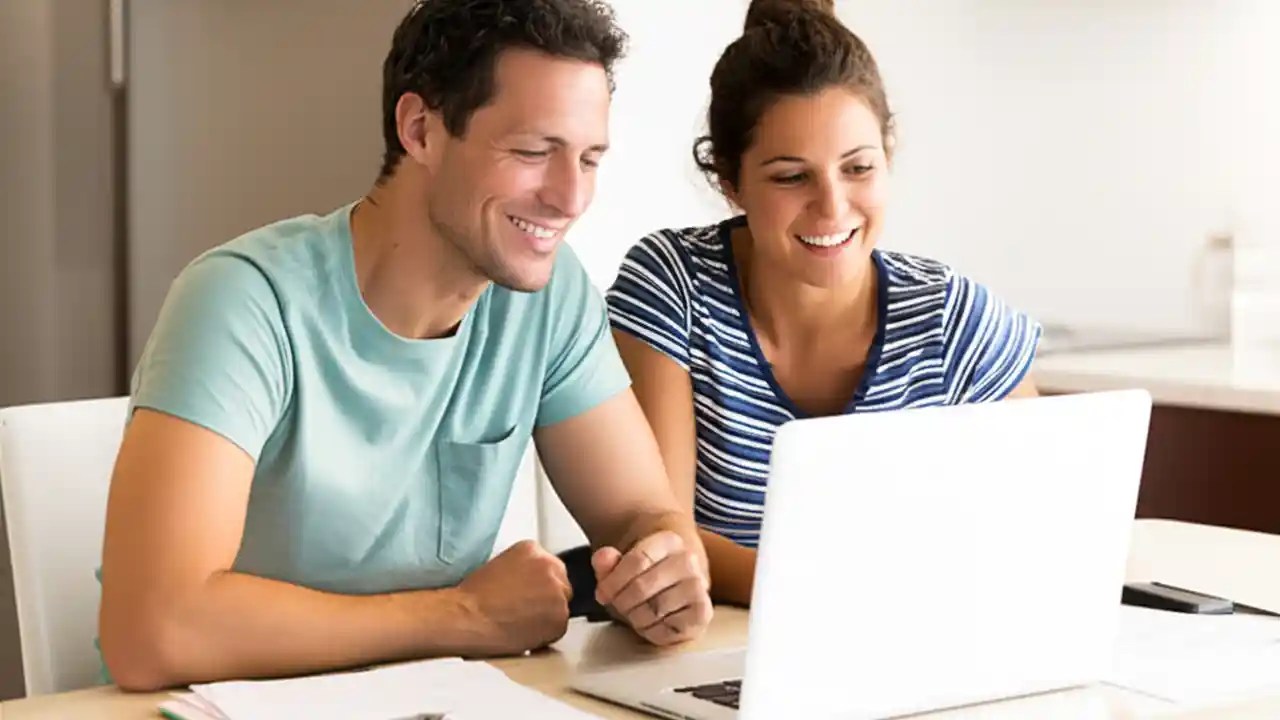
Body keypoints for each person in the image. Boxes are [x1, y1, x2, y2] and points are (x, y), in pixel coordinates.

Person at [98, 0, 712, 692]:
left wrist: (667, 566)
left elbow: (640, 514)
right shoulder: (242, 303)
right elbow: (151, 633)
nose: (570, 197)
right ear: (420, 129)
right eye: (534, 152)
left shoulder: (549, 295)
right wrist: (463, 616)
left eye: (590, 158)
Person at [604, 0, 1041, 607]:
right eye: (791, 177)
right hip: (721, 658)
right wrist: (846, 593)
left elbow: (1049, 521)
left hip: (920, 646)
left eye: (858, 167)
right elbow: (665, 543)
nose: (833, 208)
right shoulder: (673, 287)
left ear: (888, 156)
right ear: (730, 182)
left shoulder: (951, 317)